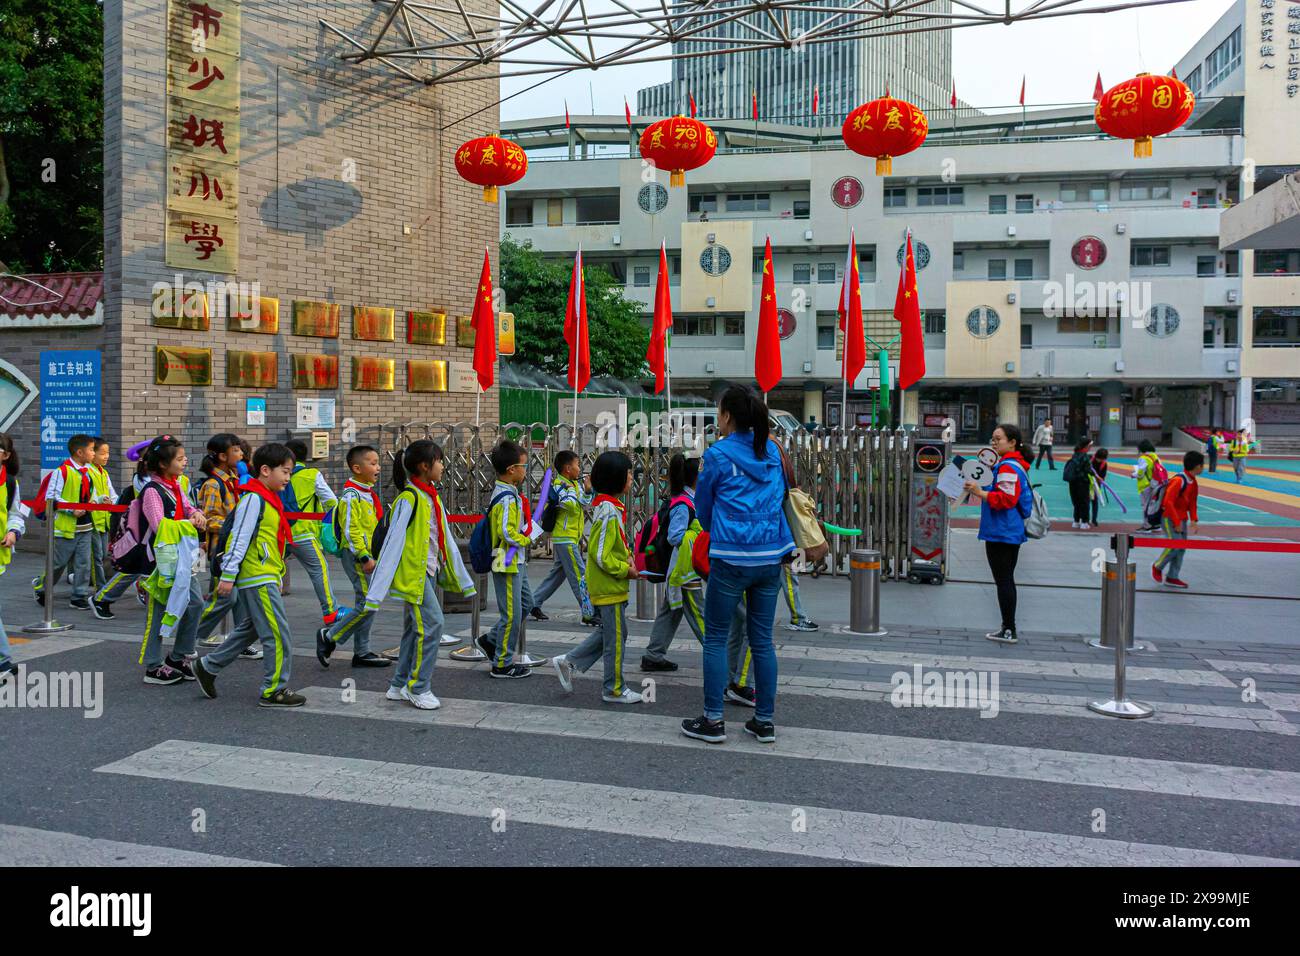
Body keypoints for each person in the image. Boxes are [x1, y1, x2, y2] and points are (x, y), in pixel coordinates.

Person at [318, 440, 475, 708]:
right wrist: (377, 576)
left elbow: (443, 538)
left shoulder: (429, 496)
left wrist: (457, 573)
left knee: (414, 630)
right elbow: (392, 542)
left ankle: (399, 684)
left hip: (425, 571)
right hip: (412, 575)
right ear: (425, 466)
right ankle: (419, 686)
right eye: (439, 461)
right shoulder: (409, 498)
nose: (442, 466)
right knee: (434, 624)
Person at [681, 385, 794, 746]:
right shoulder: (773, 451)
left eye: (719, 411)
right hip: (770, 556)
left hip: (730, 557)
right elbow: (779, 497)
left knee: (715, 638)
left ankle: (713, 720)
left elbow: (704, 505)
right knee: (762, 641)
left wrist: (720, 531)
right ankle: (764, 721)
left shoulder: (716, 454)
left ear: (728, 415)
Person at [192, 443, 305, 707]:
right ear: (265, 470)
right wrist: (228, 576)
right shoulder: (254, 499)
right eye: (285, 472)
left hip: (264, 574)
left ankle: (208, 666)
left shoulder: (266, 498)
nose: (288, 478)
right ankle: (274, 689)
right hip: (256, 575)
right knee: (277, 634)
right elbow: (239, 539)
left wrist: (276, 576)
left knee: (252, 629)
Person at [551, 450, 642, 704]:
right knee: (615, 639)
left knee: (615, 634)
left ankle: (570, 662)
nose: (631, 479)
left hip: (611, 585)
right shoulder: (609, 511)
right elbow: (600, 553)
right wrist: (626, 569)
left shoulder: (610, 507)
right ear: (616, 478)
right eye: (628, 474)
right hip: (608, 586)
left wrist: (626, 557)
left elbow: (610, 547)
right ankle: (613, 688)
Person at [135, 437, 208, 685]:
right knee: (157, 613)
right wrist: (189, 523)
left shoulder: (175, 485)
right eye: (179, 458)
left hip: (182, 558)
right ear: (164, 464)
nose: (184, 461)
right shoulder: (152, 491)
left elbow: (187, 507)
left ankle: (178, 657)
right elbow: (158, 525)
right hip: (161, 562)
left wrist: (196, 513)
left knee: (196, 603)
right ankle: (153, 666)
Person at [316, 444, 391, 667]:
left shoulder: (366, 493)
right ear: (357, 468)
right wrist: (364, 556)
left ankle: (362, 652)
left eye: (378, 463)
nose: (378, 467)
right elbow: (350, 530)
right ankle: (329, 636)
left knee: (368, 602)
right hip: (358, 556)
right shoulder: (351, 496)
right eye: (373, 463)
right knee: (368, 602)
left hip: (368, 555)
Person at [964, 423, 1033, 645]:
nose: (994, 443)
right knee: (1006, 579)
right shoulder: (1008, 465)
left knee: (1003, 581)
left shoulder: (1008, 467)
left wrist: (979, 492)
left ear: (1012, 442)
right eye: (992, 439)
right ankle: (1008, 627)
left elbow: (1006, 499)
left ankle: (1008, 628)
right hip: (1008, 530)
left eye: (998, 439)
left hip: (1002, 532)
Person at [474, 440, 535, 679]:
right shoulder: (507, 497)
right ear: (511, 469)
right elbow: (507, 532)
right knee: (511, 614)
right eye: (524, 465)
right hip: (506, 559)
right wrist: (527, 538)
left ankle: (490, 641)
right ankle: (502, 663)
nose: (526, 469)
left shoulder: (509, 493)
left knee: (526, 605)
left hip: (514, 560)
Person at [530, 449, 595, 625]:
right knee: (579, 575)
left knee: (558, 574)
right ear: (567, 468)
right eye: (577, 465)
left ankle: (534, 603)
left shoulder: (574, 484)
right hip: (565, 538)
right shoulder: (560, 484)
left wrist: (588, 491)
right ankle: (589, 612)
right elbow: (570, 505)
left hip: (569, 538)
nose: (580, 469)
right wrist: (584, 494)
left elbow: (586, 504)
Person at [34, 434, 97, 610]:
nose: (94, 453)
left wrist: (98, 500)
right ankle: (41, 587)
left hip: (85, 525)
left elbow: (89, 494)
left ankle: (79, 596)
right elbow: (51, 497)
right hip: (65, 526)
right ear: (79, 452)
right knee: (58, 564)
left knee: (83, 563)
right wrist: (71, 509)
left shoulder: (89, 472)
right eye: (91, 450)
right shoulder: (61, 472)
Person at [281, 438, 339, 626]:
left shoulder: (277, 474)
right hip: (304, 533)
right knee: (319, 569)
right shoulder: (312, 474)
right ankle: (330, 610)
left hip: (279, 533)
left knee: (274, 571)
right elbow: (331, 501)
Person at [1152, 450, 1203, 590]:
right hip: (1169, 517)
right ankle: (1157, 566)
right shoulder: (1178, 480)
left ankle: (1172, 577)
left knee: (1181, 549)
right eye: (1202, 465)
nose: (1203, 468)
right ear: (1197, 466)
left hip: (1182, 519)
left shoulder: (1193, 481)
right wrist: (1176, 522)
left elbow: (1193, 501)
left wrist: (1193, 519)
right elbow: (1168, 502)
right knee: (1174, 545)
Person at [0, 433, 27, 685]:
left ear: (6, 456)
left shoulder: (9, 483)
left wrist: (12, 532)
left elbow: (16, 514)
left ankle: (3, 659)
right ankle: (4, 659)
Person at [86, 437, 117, 595]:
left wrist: (114, 502)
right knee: (96, 557)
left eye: (108, 453)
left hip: (104, 520)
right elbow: (89, 496)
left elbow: (112, 493)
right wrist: (99, 500)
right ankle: (100, 588)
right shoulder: (87, 471)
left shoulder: (104, 473)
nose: (106, 456)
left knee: (102, 555)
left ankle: (79, 578)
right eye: (102, 453)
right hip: (92, 520)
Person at [1131, 439, 1164, 532]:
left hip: (1146, 485)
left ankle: (1147, 525)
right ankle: (1156, 524)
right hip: (1156, 484)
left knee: (1145, 506)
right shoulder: (1155, 457)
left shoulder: (1143, 458)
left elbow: (1140, 472)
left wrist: (1133, 474)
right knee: (1154, 505)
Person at [1065, 437, 1093, 529]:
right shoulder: (1085, 457)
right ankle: (1084, 522)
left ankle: (1076, 521)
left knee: (1076, 502)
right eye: (1090, 445)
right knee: (1084, 502)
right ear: (1086, 446)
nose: (1091, 447)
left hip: (1073, 482)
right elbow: (1088, 470)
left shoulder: (1075, 455)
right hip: (1082, 482)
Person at [1089, 447, 1109, 528]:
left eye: (1102, 459)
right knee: (1085, 501)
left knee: (1095, 501)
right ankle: (1085, 519)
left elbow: (1103, 476)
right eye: (1099, 458)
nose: (1100, 460)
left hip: (1096, 485)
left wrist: (1101, 479)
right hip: (1087, 483)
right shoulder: (1090, 460)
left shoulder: (1104, 464)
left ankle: (1094, 519)